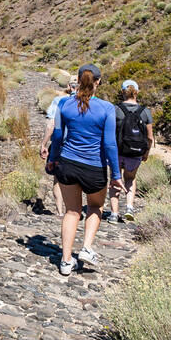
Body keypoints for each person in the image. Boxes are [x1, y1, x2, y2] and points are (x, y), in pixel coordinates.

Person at [47, 64, 125, 276]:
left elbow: (57, 136)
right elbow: (109, 144)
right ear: (98, 81)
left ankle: (65, 261)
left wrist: (52, 159)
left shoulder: (64, 103)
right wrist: (116, 175)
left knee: (72, 211)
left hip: (67, 164)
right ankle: (86, 248)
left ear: (79, 80)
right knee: (95, 207)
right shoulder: (107, 108)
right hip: (94, 167)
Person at [111, 80, 154, 222]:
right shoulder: (145, 111)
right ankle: (129, 207)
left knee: (115, 179)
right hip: (135, 153)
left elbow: (109, 132)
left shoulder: (116, 109)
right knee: (130, 178)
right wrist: (146, 153)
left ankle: (114, 213)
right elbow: (149, 137)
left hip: (117, 152)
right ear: (137, 92)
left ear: (122, 91)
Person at [39, 77, 77, 213]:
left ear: (69, 86)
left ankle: (61, 212)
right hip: (79, 146)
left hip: (60, 144)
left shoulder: (59, 101)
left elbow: (51, 125)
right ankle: (73, 210)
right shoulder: (90, 102)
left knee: (58, 179)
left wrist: (43, 144)